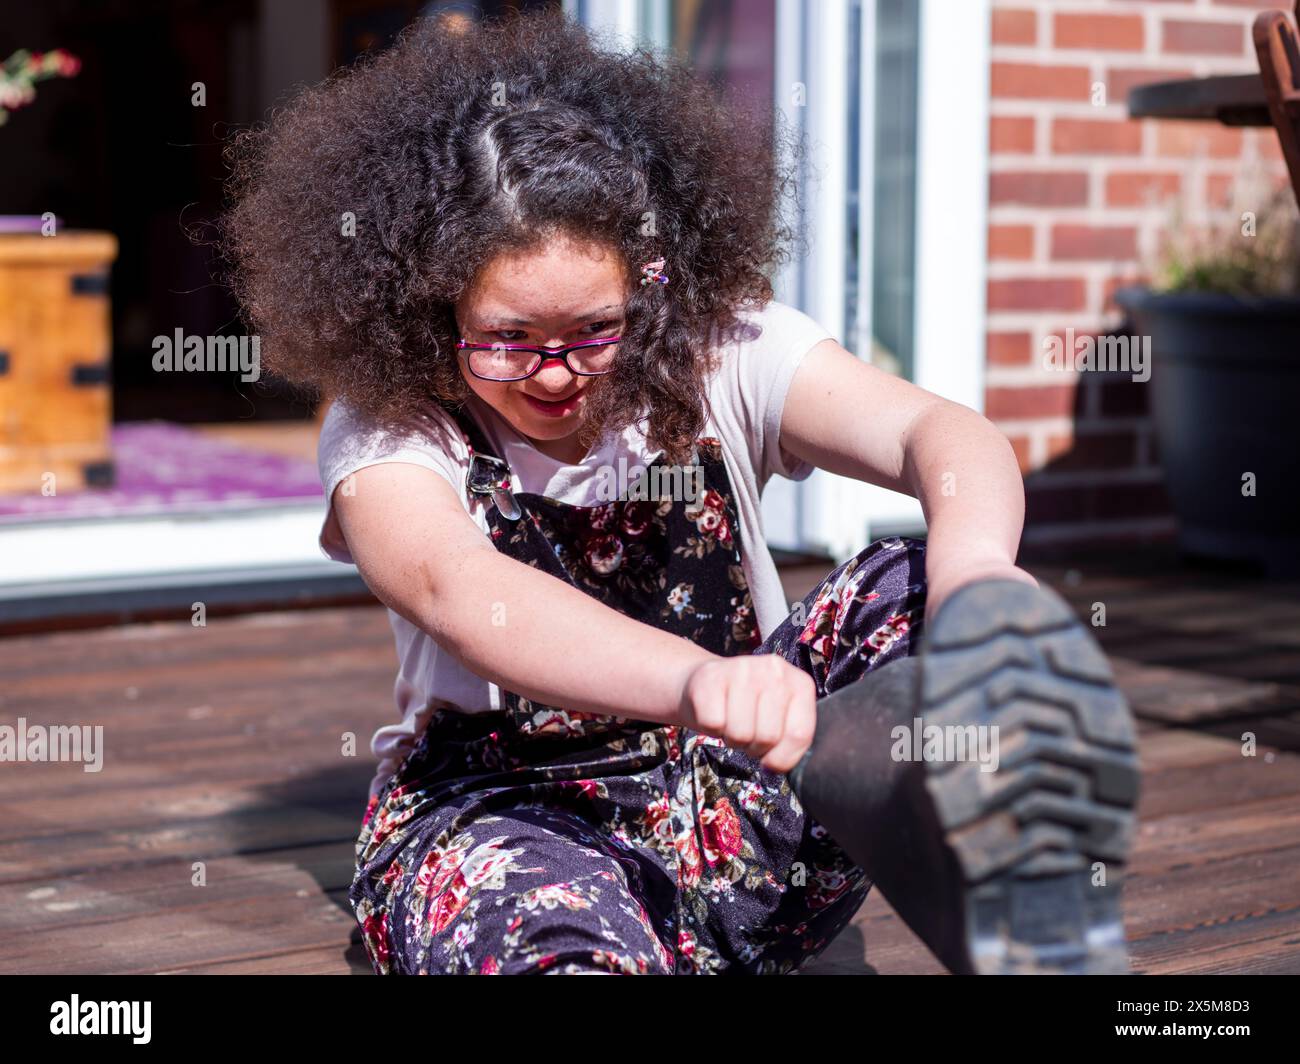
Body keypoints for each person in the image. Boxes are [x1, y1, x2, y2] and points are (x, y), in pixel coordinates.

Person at [222, 7, 1138, 975]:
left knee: (909, 590)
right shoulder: (393, 420)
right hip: (510, 827)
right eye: (507, 338)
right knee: (548, 939)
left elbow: (937, 434)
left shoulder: (722, 349)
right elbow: (459, 589)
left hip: (734, 823)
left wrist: (975, 575)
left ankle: (1001, 876)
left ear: (650, 287)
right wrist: (695, 679)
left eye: (592, 330)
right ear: (430, 303)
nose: (551, 371)